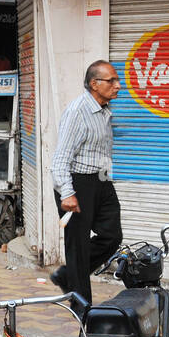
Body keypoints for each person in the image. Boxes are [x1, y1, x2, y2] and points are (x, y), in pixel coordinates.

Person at [50, 60, 122, 305]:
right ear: (94, 84)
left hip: (100, 181)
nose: (117, 86)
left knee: (112, 237)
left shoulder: (103, 111)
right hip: (76, 183)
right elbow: (60, 158)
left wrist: (105, 182)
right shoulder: (77, 111)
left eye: (117, 80)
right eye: (111, 80)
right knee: (78, 247)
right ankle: (83, 309)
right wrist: (67, 193)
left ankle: (68, 275)